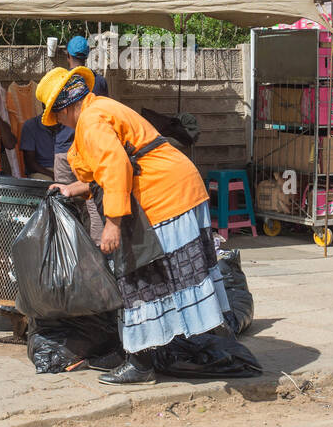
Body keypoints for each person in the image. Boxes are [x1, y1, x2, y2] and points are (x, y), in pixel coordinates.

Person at [37, 66, 230, 386]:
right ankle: (184, 349)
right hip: (174, 189)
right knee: (170, 276)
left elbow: (115, 168)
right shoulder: (99, 111)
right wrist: (72, 189)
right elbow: (104, 171)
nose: (58, 123)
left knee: (138, 277)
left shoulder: (90, 121)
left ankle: (141, 363)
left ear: (64, 107)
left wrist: (112, 224)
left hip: (164, 195)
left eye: (56, 117)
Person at [55, 35, 109, 241]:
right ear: (87, 56)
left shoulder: (61, 81)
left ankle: (67, 247)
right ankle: (97, 249)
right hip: (90, 149)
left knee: (64, 202)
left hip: (64, 150)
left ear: (67, 55)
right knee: (94, 200)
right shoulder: (99, 82)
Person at [19, 114, 61, 180]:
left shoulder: (67, 123)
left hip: (64, 168)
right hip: (42, 171)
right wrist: (53, 174)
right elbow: (30, 163)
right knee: (49, 185)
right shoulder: (30, 126)